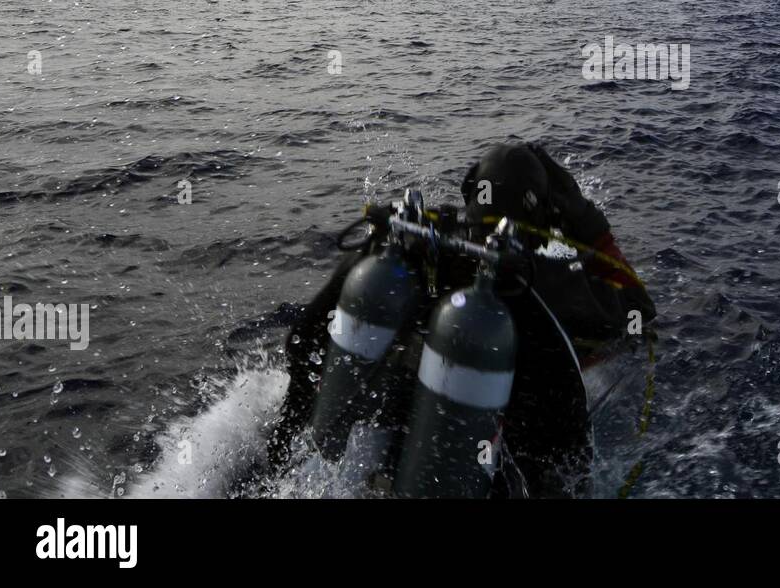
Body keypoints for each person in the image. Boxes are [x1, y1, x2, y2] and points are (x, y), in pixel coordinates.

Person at [267, 141, 655, 494]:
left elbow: (302, 339)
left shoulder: (412, 246)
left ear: (471, 192)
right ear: (543, 211)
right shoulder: (548, 282)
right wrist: (583, 216)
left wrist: (288, 434)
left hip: (367, 448)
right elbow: (640, 308)